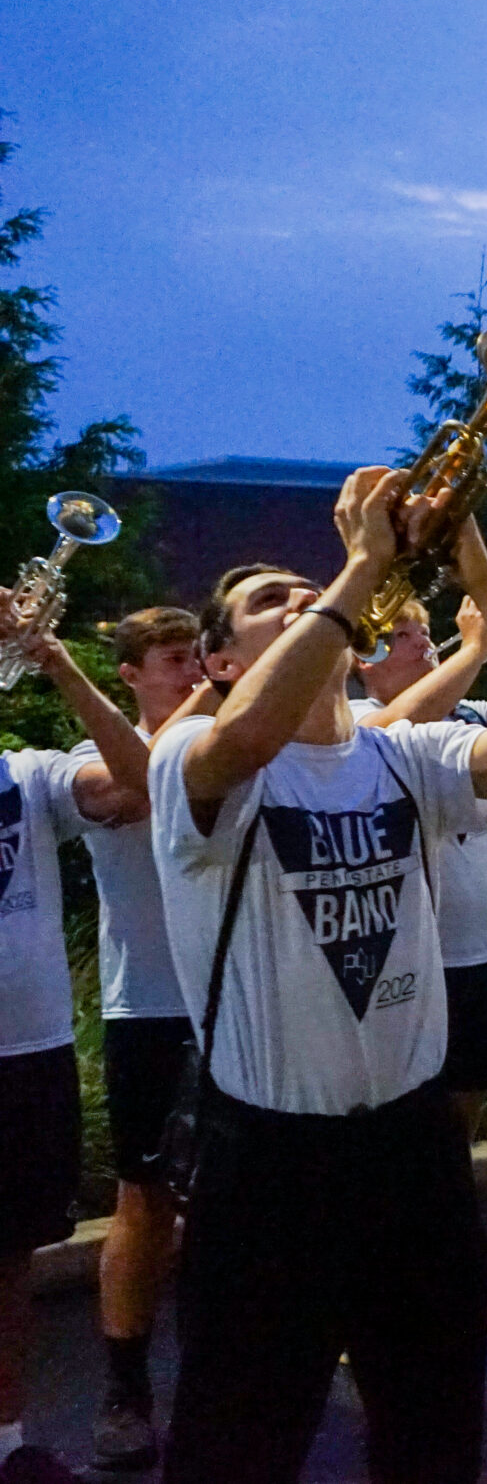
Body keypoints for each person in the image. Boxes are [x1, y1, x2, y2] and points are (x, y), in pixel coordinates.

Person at [150, 472, 487, 1484]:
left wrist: (483, 582)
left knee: (433, 1424)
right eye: (274, 603)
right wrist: (356, 569)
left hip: (410, 1145)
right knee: (239, 1436)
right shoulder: (192, 750)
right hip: (266, 1160)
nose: (305, 605)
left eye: (309, 594)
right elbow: (249, 736)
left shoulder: (405, 757)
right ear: (218, 661)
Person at [354, 596, 487, 1332]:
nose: (424, 642)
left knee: (450, 1138)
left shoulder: (476, 715)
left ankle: (449, 1277)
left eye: (425, 630)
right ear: (361, 657)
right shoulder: (350, 725)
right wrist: (472, 650)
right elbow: (387, 728)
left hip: (474, 952)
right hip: (400, 970)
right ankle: (376, 1295)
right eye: (401, 635)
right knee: (393, 1144)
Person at [0, 598, 152, 1484]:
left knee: (11, 1257)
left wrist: (57, 662)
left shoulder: (30, 772)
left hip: (29, 1048)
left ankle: (8, 1439)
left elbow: (141, 782)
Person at [80, 608, 203, 1472]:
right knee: (144, 1199)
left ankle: (221, 1372)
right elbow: (145, 783)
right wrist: (49, 657)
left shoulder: (227, 745)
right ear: (129, 675)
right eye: (172, 661)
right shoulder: (98, 760)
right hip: (148, 1010)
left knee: (234, 1204)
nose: (193, 672)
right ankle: (126, 1385)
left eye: (201, 657)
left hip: (228, 1003)